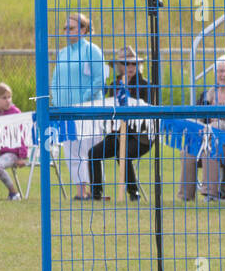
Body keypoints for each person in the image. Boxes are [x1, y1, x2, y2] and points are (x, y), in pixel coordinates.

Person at [50, 12, 110, 200]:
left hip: (88, 109)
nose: (67, 32)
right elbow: (56, 79)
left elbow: (100, 78)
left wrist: (84, 98)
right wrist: (57, 101)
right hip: (66, 110)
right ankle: (79, 191)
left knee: (89, 148)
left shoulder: (92, 50)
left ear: (84, 30)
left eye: (72, 28)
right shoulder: (63, 53)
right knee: (71, 149)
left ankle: (94, 189)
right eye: (65, 28)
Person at [87, 46, 157, 201]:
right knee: (93, 153)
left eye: (133, 64)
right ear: (119, 66)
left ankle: (134, 193)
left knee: (122, 154)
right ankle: (96, 193)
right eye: (125, 63)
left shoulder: (147, 85)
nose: (130, 67)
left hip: (142, 136)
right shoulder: (114, 85)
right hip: (118, 132)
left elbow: (150, 114)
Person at [179, 54, 225, 200]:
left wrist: (213, 126)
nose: (223, 75)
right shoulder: (206, 95)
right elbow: (196, 118)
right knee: (187, 149)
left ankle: (210, 194)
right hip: (206, 139)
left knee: (209, 148)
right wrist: (197, 127)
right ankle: (185, 196)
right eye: (220, 71)